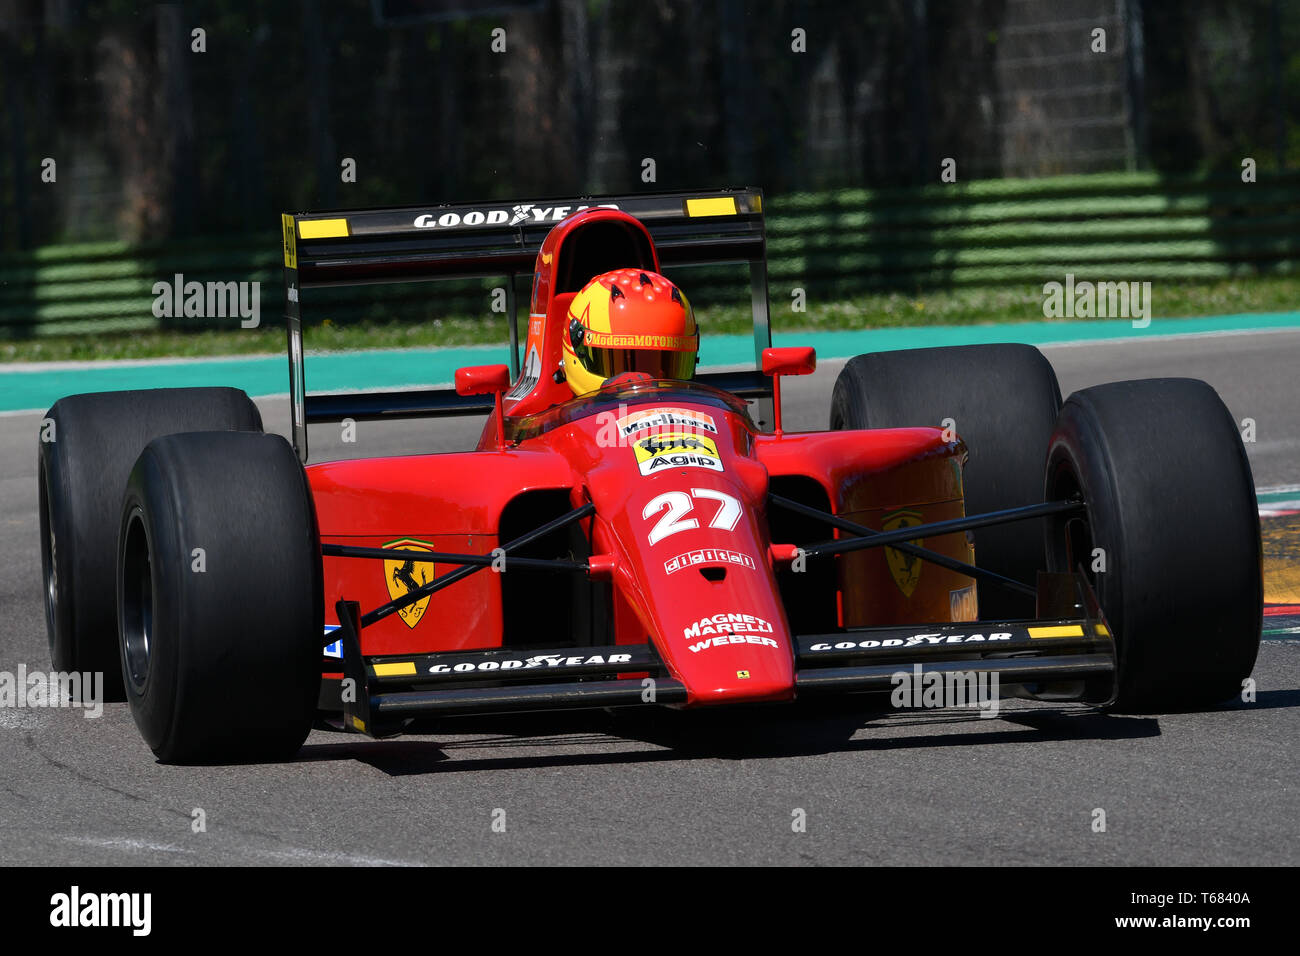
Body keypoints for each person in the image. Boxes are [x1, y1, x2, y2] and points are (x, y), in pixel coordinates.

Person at [560, 268, 699, 396]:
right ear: (577, 349)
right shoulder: (553, 422)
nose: (645, 383)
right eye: (620, 365)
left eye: (664, 367)